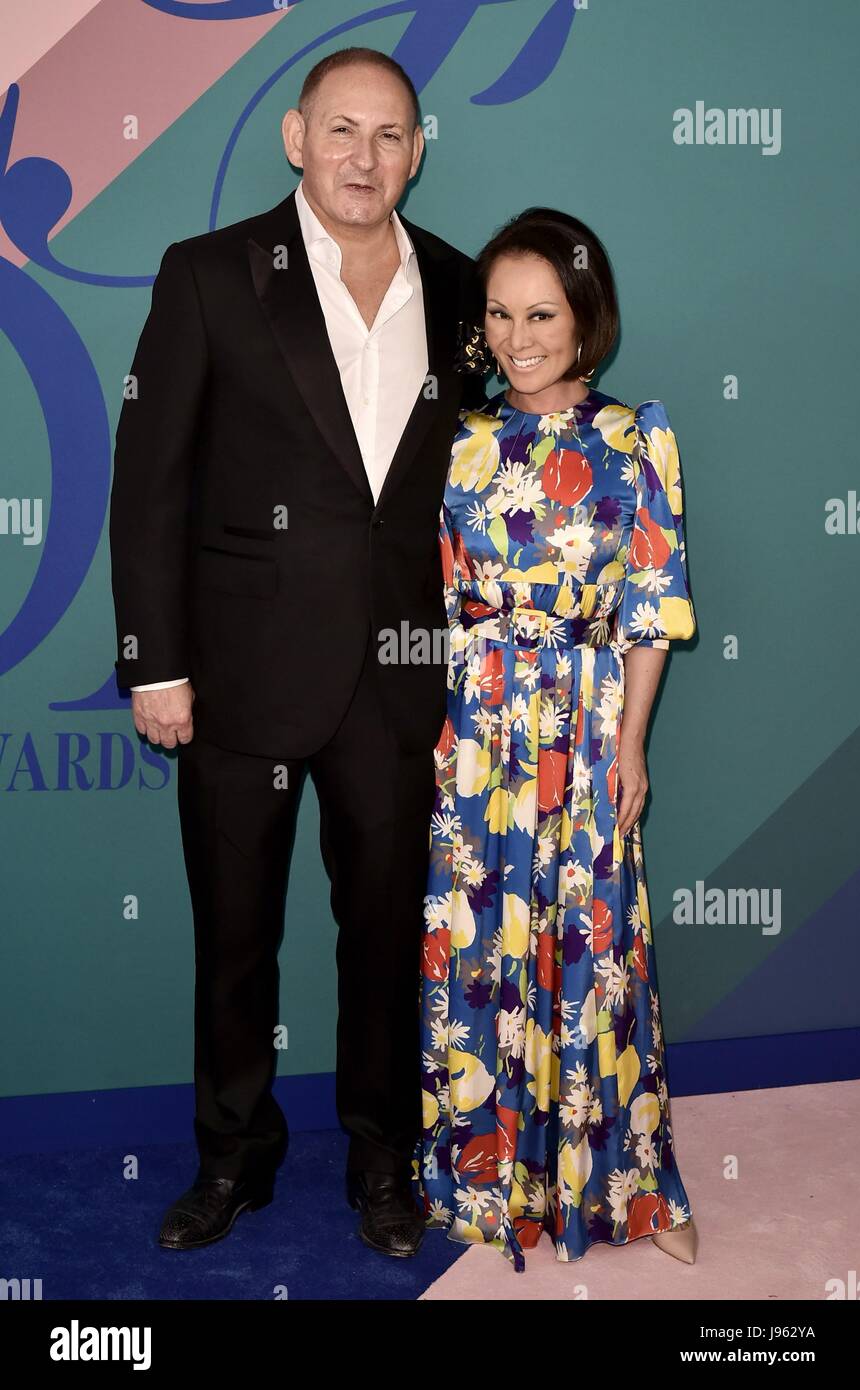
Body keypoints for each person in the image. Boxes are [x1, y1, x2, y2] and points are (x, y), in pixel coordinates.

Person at [109, 46, 484, 1257]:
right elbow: (149, 482)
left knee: (385, 937)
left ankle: (385, 1160)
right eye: (342, 131)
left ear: (417, 151)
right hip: (235, 677)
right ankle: (234, 1160)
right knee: (234, 937)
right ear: (293, 136)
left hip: (399, 678)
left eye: (389, 136)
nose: (364, 157)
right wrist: (152, 662)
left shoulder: (463, 286)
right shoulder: (212, 275)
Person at [415, 207, 699, 1271]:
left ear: (587, 319)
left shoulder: (637, 439)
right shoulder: (460, 441)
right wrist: (445, 733)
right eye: (498, 313)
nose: (517, 336)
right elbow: (439, 602)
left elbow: (651, 608)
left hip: (583, 728)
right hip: (479, 729)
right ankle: (481, 1182)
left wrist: (629, 744)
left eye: (541, 313)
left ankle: (626, 1186)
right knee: (478, 949)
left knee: (598, 955)